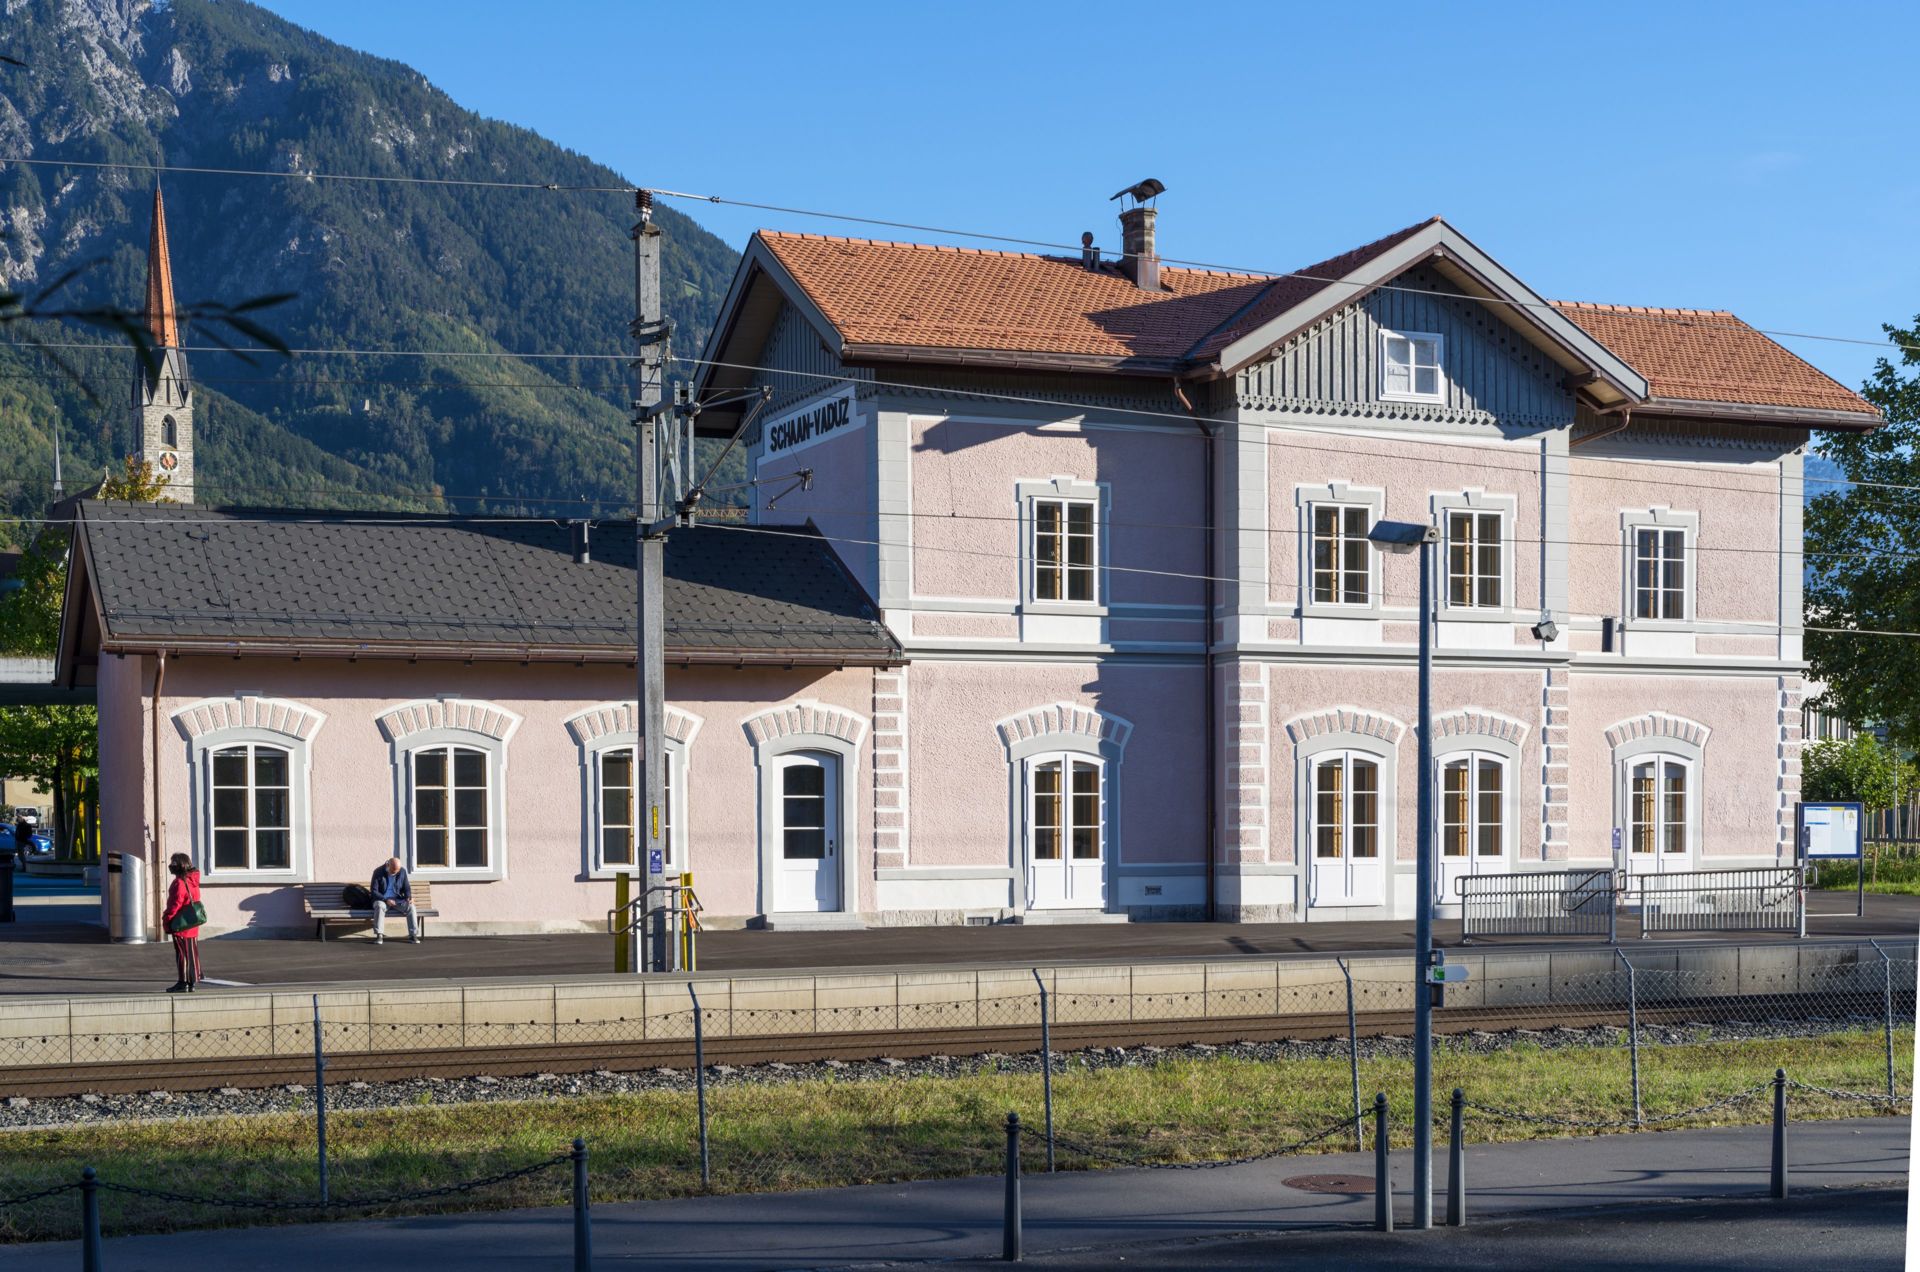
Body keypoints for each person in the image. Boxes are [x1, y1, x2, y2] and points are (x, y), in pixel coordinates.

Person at [161, 852, 202, 992]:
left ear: (180, 865)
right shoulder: (193, 880)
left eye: (173, 863)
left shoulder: (179, 882)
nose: (170, 866)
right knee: (191, 953)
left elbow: (175, 904)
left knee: (182, 954)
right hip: (192, 923)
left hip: (181, 924)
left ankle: (182, 982)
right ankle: (191, 983)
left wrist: (166, 920)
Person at [370, 856, 419, 944]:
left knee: (411, 907)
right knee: (380, 906)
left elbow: (406, 887)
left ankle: (413, 935)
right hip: (382, 899)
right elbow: (374, 891)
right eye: (392, 871)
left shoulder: (402, 871)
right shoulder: (378, 872)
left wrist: (408, 896)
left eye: (396, 872)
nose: (394, 873)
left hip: (397, 900)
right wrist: (385, 900)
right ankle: (379, 935)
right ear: (387, 865)